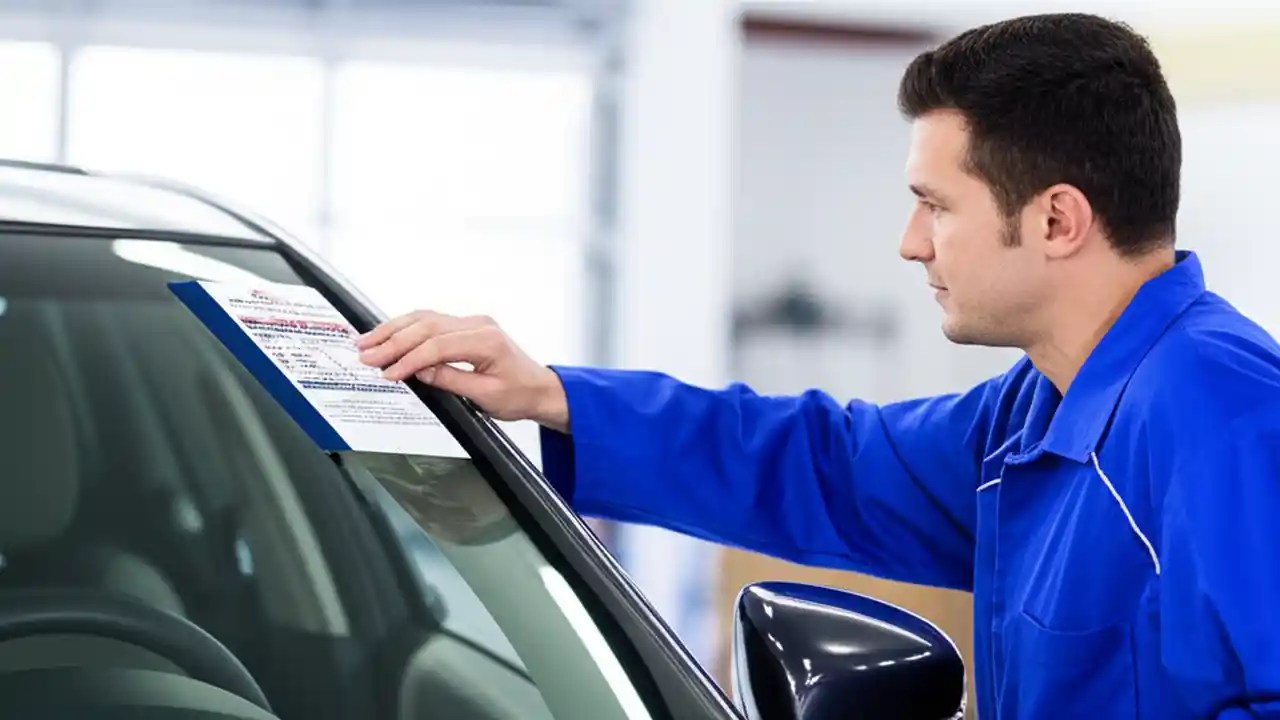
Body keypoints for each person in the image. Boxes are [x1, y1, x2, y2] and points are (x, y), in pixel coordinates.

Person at [356, 12, 1280, 719]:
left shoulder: (1226, 416)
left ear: (1056, 220)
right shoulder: (1032, 414)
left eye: (936, 206)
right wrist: (553, 396)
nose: (910, 243)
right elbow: (826, 461)